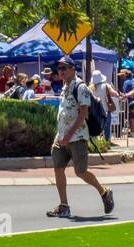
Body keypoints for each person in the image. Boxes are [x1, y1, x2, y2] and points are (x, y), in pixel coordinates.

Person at [46, 58, 116, 219]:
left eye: (64, 68)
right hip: (61, 137)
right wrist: (61, 135)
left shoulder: (80, 87)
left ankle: (104, 192)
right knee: (58, 169)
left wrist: (69, 135)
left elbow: (83, 113)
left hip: (76, 137)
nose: (61, 71)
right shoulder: (65, 87)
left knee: (81, 172)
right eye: (59, 68)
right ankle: (64, 206)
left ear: (72, 69)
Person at [91, 70, 121, 143]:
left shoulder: (90, 87)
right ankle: (107, 142)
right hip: (105, 110)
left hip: (94, 111)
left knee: (95, 128)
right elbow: (115, 94)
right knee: (106, 128)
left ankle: (95, 143)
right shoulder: (106, 86)